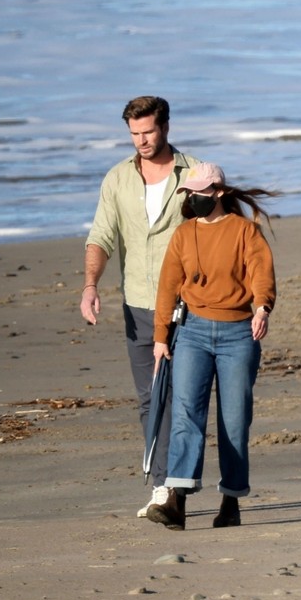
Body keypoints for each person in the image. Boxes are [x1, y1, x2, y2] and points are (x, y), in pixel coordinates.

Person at [81, 96, 201, 518]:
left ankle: (176, 487)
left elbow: (214, 231)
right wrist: (90, 285)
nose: (141, 141)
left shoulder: (195, 173)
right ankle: (163, 487)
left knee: (182, 398)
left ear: (165, 127)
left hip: (187, 306)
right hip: (137, 305)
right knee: (150, 398)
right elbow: (102, 235)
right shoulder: (117, 179)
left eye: (148, 132)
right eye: (134, 134)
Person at [146, 162, 278, 531]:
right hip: (192, 332)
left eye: (200, 193)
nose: (193, 199)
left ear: (218, 192)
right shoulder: (184, 234)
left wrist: (262, 308)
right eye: (189, 193)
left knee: (234, 420)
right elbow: (167, 287)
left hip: (239, 334)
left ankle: (231, 502)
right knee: (186, 413)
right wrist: (160, 338)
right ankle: (177, 500)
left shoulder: (244, 231)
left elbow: (261, 272)